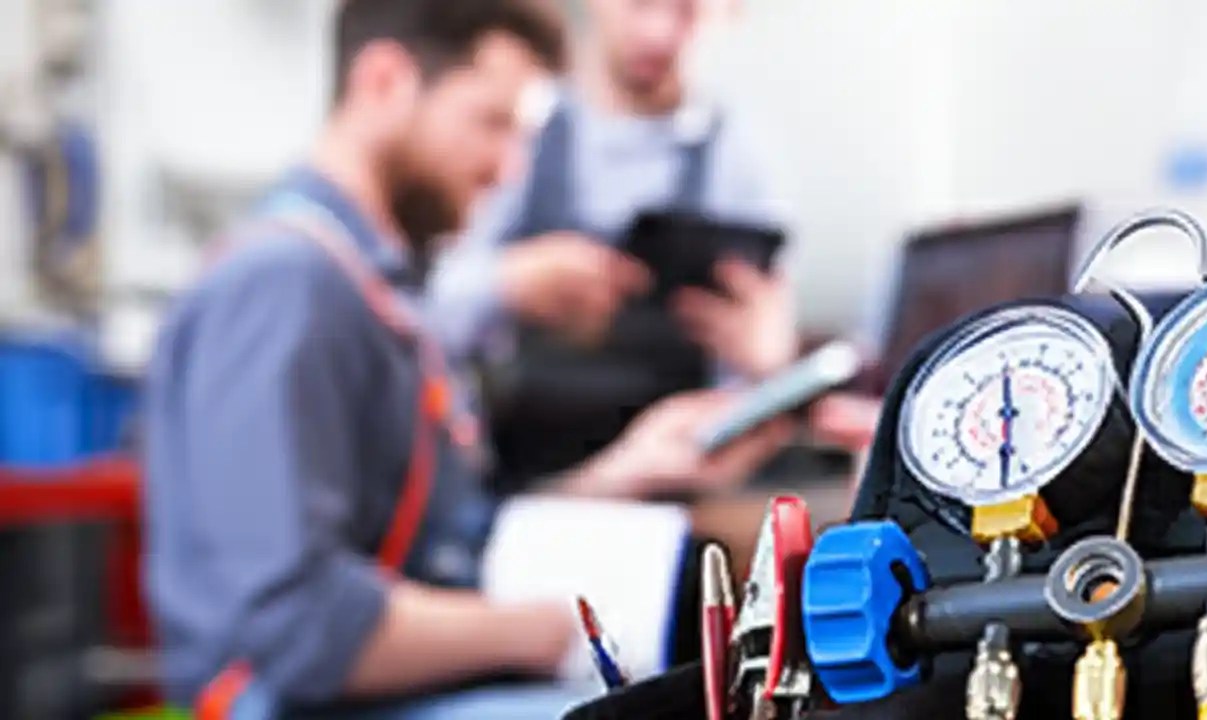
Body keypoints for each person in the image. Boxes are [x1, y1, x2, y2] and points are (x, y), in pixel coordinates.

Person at [142, 1, 790, 718]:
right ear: (385, 80)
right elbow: (303, 628)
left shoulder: (376, 292)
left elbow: (451, 551)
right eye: (491, 123)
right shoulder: (283, 286)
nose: (507, 167)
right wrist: (543, 631)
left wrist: (621, 472)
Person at [426, 0, 799, 492]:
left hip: (676, 481)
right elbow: (421, 308)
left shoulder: (738, 165)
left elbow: (756, 378)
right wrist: (509, 281)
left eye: (688, 11)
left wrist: (768, 364)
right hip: (522, 484)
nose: (661, 32)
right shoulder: (517, 131)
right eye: (642, 4)